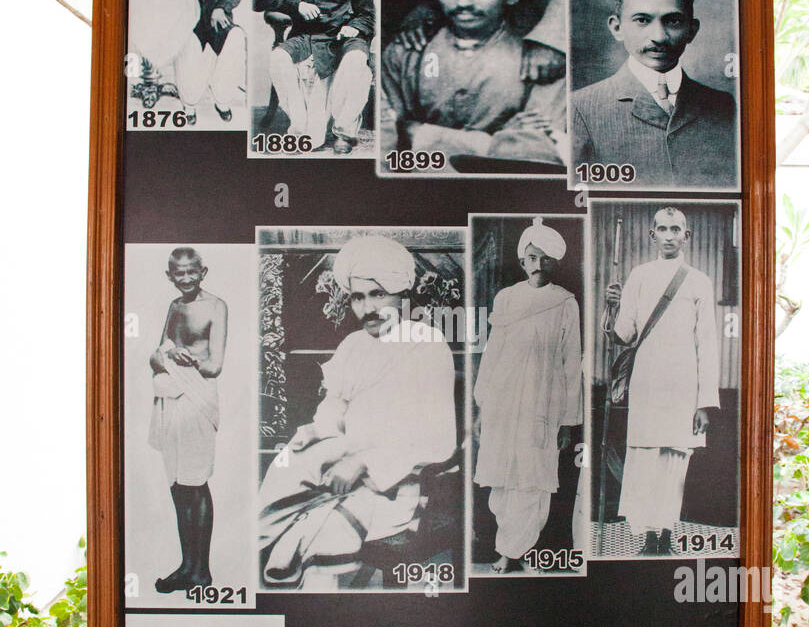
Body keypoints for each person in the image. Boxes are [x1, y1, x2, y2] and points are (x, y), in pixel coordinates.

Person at [258, 235, 457, 587]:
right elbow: (332, 409)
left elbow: (437, 438)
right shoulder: (352, 345)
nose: (367, 309)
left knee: (323, 534)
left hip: (394, 483)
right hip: (337, 471)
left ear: (401, 294)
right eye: (358, 297)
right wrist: (323, 439)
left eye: (378, 294)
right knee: (276, 507)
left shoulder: (426, 345)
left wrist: (364, 462)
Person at [381, 0, 567, 171]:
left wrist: (420, 134)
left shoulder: (539, 62)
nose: (463, 2)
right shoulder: (405, 52)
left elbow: (533, 153)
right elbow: (389, 138)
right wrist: (495, 141)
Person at [605, 206, 719, 556]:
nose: (669, 236)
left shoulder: (699, 280)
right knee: (644, 461)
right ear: (651, 235)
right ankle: (647, 537)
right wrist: (611, 305)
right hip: (648, 384)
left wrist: (704, 402)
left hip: (683, 387)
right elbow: (624, 334)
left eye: (676, 229)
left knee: (674, 462)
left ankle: (666, 534)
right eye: (662, 229)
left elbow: (708, 342)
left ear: (687, 235)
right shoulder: (639, 276)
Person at [474, 218, 582, 572]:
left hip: (542, 403)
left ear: (555, 262)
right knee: (502, 479)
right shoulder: (506, 298)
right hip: (503, 402)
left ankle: (513, 551)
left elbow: (570, 364)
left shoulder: (565, 303)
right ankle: (508, 546)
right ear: (523, 261)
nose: (538, 264)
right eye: (532, 257)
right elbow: (493, 353)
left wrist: (567, 421)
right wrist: (482, 406)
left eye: (545, 258)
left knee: (532, 479)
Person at [572, 0, 737, 188]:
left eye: (674, 21)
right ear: (617, 27)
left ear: (692, 30)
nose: (659, 37)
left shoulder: (723, 105)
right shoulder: (580, 106)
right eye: (642, 20)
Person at [252, 0, 375, 152]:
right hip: (306, 36)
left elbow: (367, 14)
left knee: (355, 63)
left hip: (344, 37)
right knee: (278, 58)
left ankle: (343, 131)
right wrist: (295, 5)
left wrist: (354, 27)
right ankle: (302, 125)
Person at [148, 248, 227, 593]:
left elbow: (215, 366)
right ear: (169, 276)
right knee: (178, 485)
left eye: (191, 273)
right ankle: (186, 566)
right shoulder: (174, 306)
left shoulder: (216, 306)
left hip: (197, 399)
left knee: (195, 483)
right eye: (178, 274)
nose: (185, 280)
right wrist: (167, 355)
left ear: (203, 271)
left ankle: (202, 570)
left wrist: (185, 359)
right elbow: (155, 356)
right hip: (170, 399)